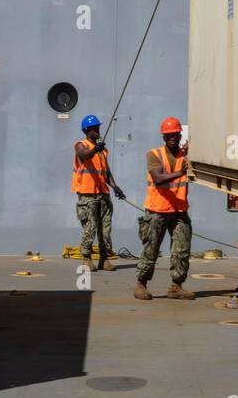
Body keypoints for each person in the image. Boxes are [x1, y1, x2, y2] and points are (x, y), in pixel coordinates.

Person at [135, 117, 195, 301]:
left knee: (181, 250)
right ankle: (141, 284)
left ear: (179, 134)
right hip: (157, 211)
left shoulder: (185, 156)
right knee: (151, 249)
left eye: (175, 134)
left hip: (179, 211)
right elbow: (158, 178)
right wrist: (181, 173)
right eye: (168, 135)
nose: (172, 138)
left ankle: (176, 286)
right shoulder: (154, 155)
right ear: (163, 137)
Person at [73, 114, 125, 270]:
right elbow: (83, 155)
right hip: (87, 194)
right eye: (95, 128)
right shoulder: (80, 145)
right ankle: (86, 258)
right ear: (87, 130)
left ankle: (104, 259)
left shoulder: (103, 151)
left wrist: (115, 187)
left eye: (98, 127)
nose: (98, 130)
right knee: (90, 226)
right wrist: (95, 149)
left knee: (105, 228)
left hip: (103, 193)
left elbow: (106, 172)